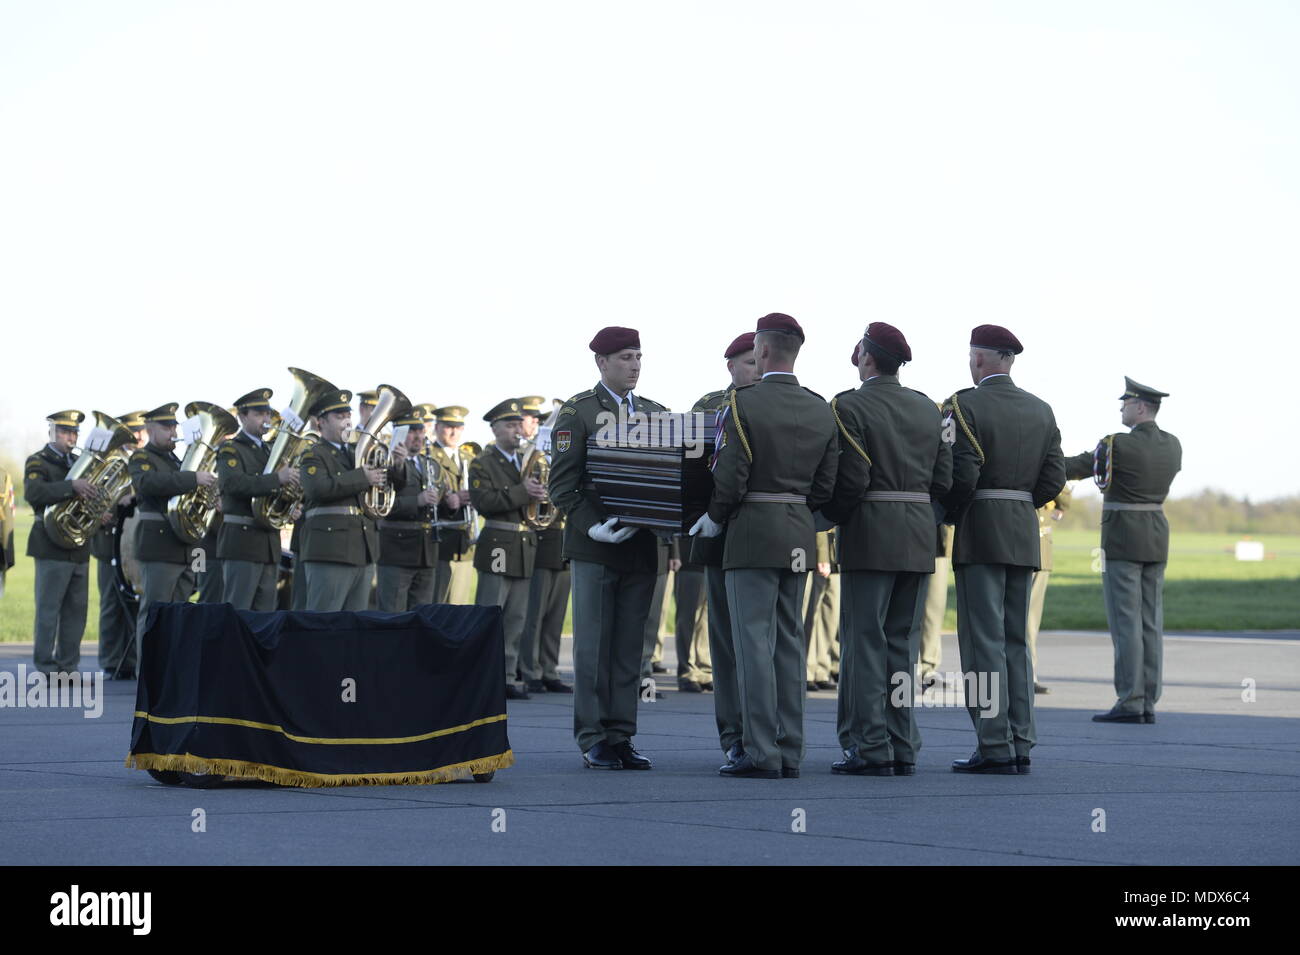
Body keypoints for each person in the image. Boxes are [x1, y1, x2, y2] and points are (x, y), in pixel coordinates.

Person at [693, 313, 838, 780]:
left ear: (763, 350)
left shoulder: (743, 404)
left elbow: (731, 475)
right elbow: (827, 484)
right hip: (798, 528)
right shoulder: (820, 407)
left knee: (752, 643)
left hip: (752, 531)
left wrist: (715, 518)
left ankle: (759, 751)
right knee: (790, 643)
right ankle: (790, 749)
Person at [823, 323, 952, 776]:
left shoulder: (849, 405)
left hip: (870, 534)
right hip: (918, 534)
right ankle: (902, 743)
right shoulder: (927, 408)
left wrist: (826, 518)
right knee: (902, 645)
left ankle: (868, 745)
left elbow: (852, 478)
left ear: (866, 358)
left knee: (862, 643)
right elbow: (944, 480)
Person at [941, 326, 1065, 774]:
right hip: (1022, 531)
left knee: (981, 644)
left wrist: (952, 511)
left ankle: (993, 742)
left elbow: (961, 473)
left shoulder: (964, 405)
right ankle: (1021, 741)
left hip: (981, 529)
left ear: (979, 359)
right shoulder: (1041, 409)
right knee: (1017, 640)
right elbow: (1053, 480)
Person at [548, 325, 667, 770]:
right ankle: (592, 736)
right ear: (601, 362)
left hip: (640, 545)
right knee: (593, 647)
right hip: (595, 546)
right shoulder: (578, 412)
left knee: (629, 648)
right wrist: (592, 527)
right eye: (624, 357)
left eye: (638, 356)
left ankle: (621, 734)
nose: (634, 365)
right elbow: (562, 485)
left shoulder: (656, 413)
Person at [1065, 377, 1181, 723]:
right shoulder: (1173, 445)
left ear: (1141, 407)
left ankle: (1130, 699)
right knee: (1151, 621)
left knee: (1126, 622)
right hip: (1157, 537)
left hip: (1122, 540)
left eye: (1126, 403)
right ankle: (1148, 699)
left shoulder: (1117, 445)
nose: (1121, 408)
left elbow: (1077, 467)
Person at [689, 330, 759, 766]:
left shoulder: (782, 403)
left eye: (760, 360)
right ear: (730, 366)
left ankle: (771, 734)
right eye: (748, 362)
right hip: (721, 535)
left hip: (765, 535)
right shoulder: (710, 408)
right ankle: (735, 734)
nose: (755, 368)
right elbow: (693, 474)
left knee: (771, 643)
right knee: (727, 643)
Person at [299, 388, 407, 611]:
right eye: (339, 417)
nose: (347, 422)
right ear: (320, 423)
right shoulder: (314, 454)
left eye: (348, 416)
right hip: (330, 550)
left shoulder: (357, 451)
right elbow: (318, 489)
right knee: (323, 621)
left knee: (354, 625)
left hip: (363, 550)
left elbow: (394, 486)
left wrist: (396, 465)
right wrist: (362, 477)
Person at [129, 404, 217, 667]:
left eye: (174, 427)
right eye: (166, 428)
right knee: (155, 612)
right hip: (158, 545)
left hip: (184, 546)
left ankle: (172, 669)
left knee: (179, 615)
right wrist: (193, 479)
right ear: (150, 429)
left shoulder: (175, 461)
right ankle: (148, 671)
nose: (172, 432)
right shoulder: (141, 458)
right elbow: (148, 484)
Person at [470, 398, 543, 699]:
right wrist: (521, 491)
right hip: (499, 544)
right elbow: (485, 502)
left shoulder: (527, 461)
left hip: (524, 544)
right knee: (492, 611)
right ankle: (483, 676)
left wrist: (539, 493)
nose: (517, 430)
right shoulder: (483, 463)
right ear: (495, 428)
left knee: (516, 618)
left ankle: (509, 675)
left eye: (518, 425)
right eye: (510, 425)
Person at [25, 410, 93, 676]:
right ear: (52, 432)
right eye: (65, 432)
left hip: (78, 546)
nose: (71, 437)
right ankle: (45, 667)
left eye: (74, 432)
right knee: (48, 610)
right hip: (50, 545)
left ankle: (68, 666)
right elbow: (34, 493)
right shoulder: (38, 462)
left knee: (77, 611)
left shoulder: (80, 462)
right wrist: (71, 485)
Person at [217, 390, 299, 611]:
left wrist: (287, 505)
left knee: (265, 617)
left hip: (268, 544)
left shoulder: (270, 451)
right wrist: (277, 478)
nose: (266, 420)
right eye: (258, 414)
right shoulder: (231, 448)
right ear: (242, 417)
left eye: (267, 414)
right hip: (241, 542)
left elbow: (272, 492)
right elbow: (232, 484)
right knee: (238, 613)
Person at [518, 396, 573, 694]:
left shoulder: (562, 455)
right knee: (535, 613)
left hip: (564, 541)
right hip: (542, 539)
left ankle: (550, 668)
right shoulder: (533, 456)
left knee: (556, 615)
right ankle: (531, 669)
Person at [91, 410, 146, 677]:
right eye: (132, 432)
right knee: (112, 605)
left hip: (139, 545)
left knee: (138, 603)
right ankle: (112, 661)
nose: (136, 437)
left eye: (140, 431)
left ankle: (134, 661)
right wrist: (116, 506)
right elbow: (97, 497)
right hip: (110, 543)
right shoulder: (109, 462)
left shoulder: (149, 460)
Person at [375, 406, 441, 612]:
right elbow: (380, 505)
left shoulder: (429, 463)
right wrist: (417, 501)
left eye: (421, 431)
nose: (418, 436)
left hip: (426, 551)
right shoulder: (383, 460)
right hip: (397, 549)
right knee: (392, 616)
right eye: (412, 431)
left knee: (422, 617)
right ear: (399, 432)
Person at [428, 406, 476, 604]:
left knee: (460, 607)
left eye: (459, 426)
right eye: (449, 427)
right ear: (437, 427)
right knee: (437, 605)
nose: (454, 432)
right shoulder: (429, 456)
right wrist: (449, 501)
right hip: (440, 542)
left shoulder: (469, 459)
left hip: (464, 542)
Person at [1027, 483, 1072, 693]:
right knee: (1029, 618)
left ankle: (1021, 672)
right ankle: (1027, 673)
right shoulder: (1047, 450)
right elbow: (1061, 492)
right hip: (1036, 539)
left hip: (1022, 537)